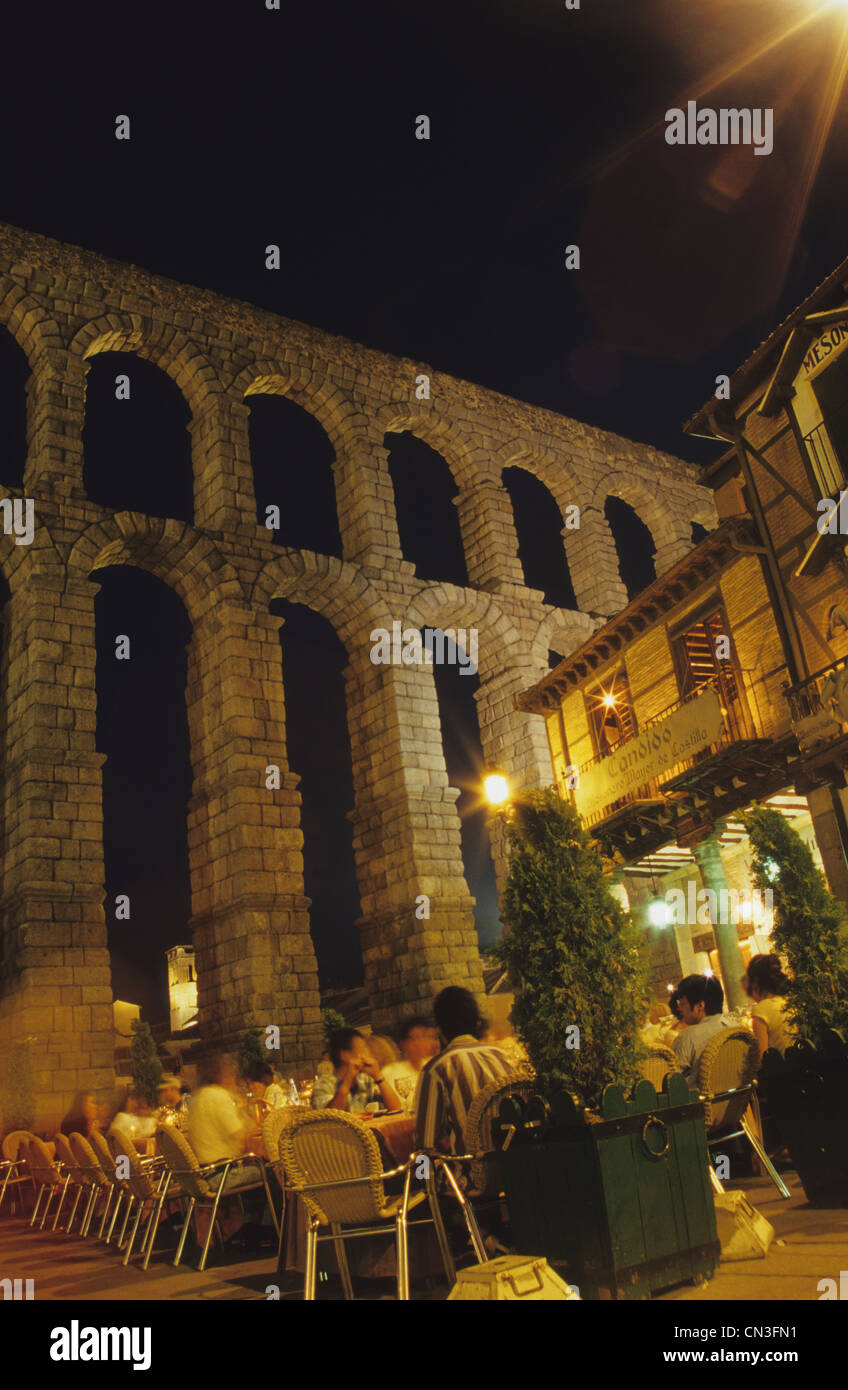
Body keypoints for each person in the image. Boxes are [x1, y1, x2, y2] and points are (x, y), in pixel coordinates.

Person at [414, 986, 516, 1153]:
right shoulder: (504, 1056)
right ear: (477, 1024)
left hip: (471, 1167)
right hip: (518, 1160)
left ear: (440, 1030)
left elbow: (426, 1143)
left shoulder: (437, 1069)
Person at [311, 1029, 403, 1113]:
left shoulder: (366, 1080)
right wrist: (348, 1080)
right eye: (363, 1049)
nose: (368, 1053)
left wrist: (378, 1076)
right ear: (344, 1055)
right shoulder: (324, 1084)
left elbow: (396, 1108)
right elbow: (329, 1117)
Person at [672, 974, 734, 1086]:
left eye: (682, 1003)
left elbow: (673, 1080)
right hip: (742, 1095)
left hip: (702, 1096)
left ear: (700, 1006)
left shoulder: (688, 1037)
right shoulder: (737, 1029)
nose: (679, 1008)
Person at [742, 954, 795, 1061]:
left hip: (784, 1067)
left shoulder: (760, 1010)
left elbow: (763, 1057)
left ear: (755, 983)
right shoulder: (789, 1001)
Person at [381, 1017, 439, 1112]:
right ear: (403, 1043)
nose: (420, 1042)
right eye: (415, 1038)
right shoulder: (390, 1071)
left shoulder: (434, 1066)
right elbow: (395, 1109)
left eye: (425, 1037)